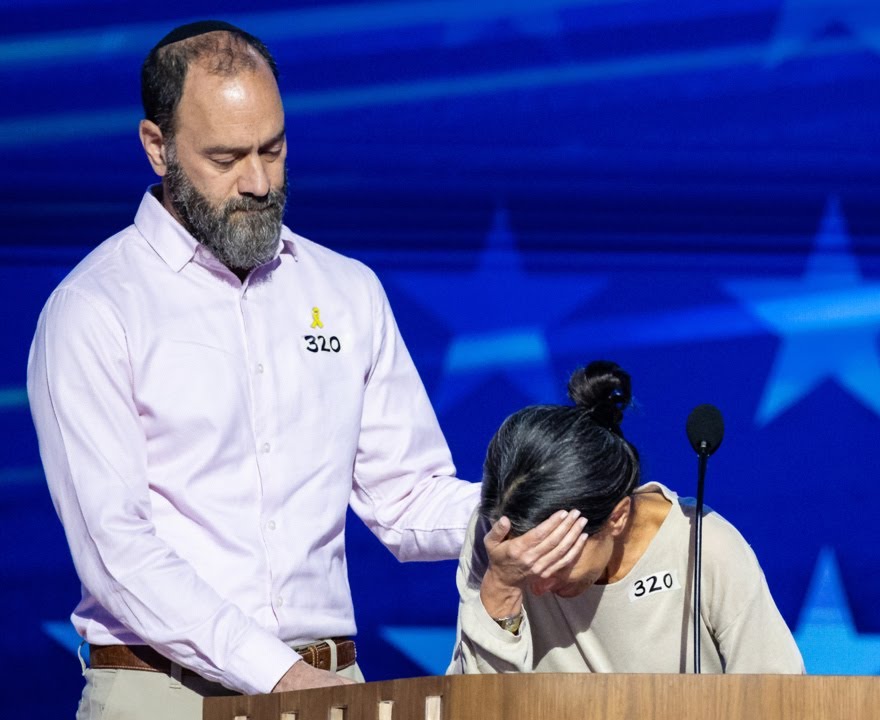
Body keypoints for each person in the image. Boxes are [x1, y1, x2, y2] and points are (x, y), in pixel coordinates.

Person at [26, 20, 479, 718]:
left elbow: (407, 498)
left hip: (331, 688)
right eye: (227, 157)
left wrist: (524, 512)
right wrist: (281, 677)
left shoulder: (346, 288)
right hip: (162, 695)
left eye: (274, 147)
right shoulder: (93, 310)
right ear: (158, 148)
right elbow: (117, 552)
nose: (260, 181)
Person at [448, 361, 805, 674]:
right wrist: (501, 588)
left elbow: (780, 695)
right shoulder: (495, 542)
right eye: (527, 560)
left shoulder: (706, 547)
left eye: (554, 556)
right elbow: (476, 707)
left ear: (617, 517)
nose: (537, 585)